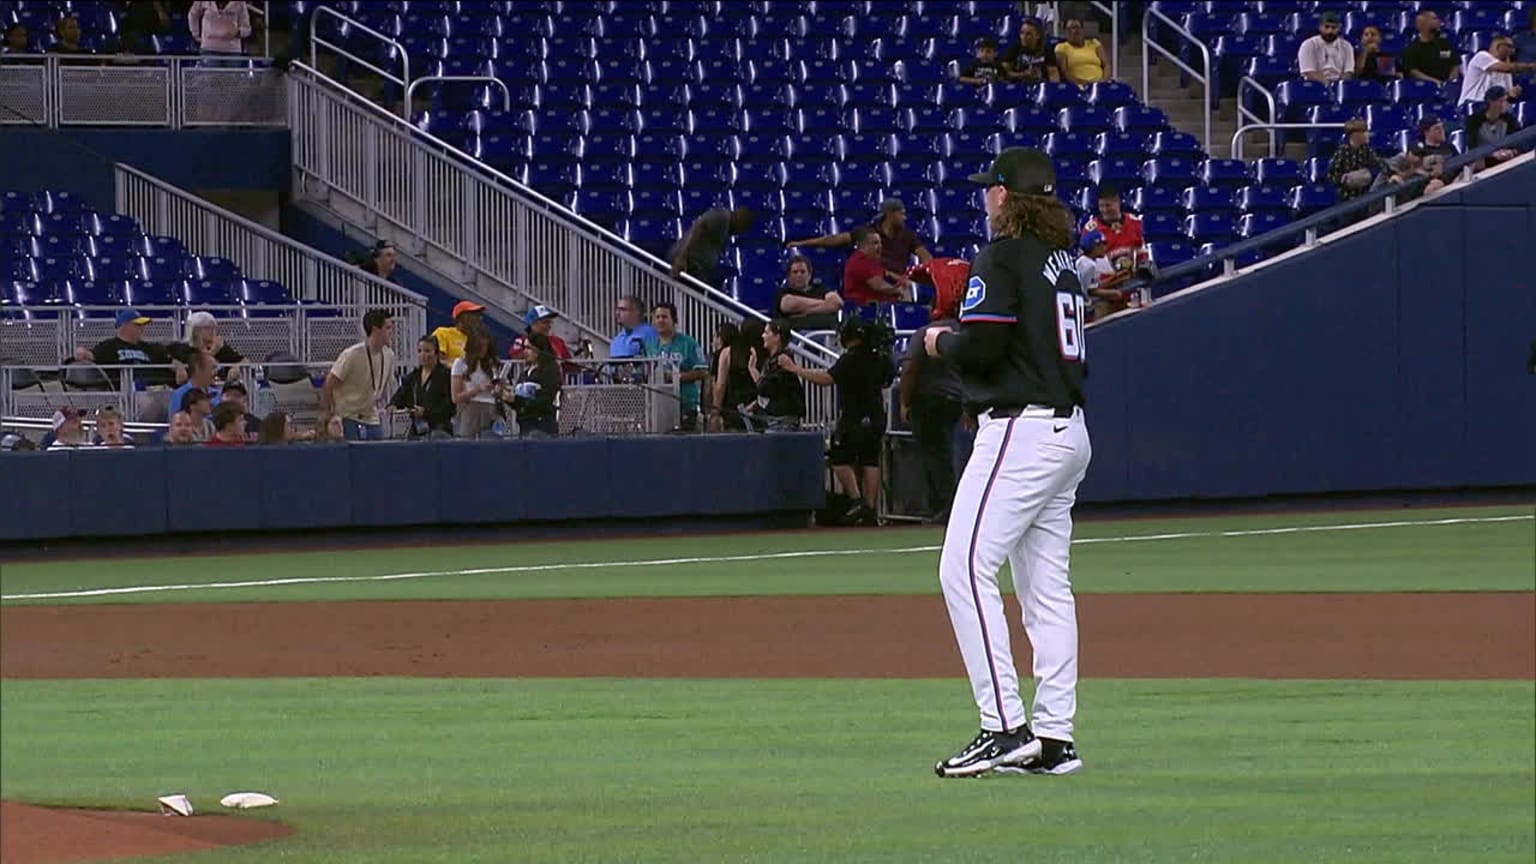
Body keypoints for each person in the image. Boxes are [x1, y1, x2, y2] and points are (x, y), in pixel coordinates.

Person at [922, 147, 1091, 778]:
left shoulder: (1001, 256)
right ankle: (1054, 738)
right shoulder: (1063, 262)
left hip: (1022, 430)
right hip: (1068, 430)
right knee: (1046, 592)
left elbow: (985, 346)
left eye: (989, 190)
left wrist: (940, 339)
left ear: (1003, 196)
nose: (985, 199)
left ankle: (1003, 728)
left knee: (963, 569)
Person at [777, 315, 892, 525]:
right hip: (876, 415)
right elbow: (887, 380)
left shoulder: (851, 359)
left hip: (854, 416)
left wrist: (796, 369)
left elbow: (827, 378)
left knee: (839, 458)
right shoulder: (879, 357)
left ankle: (858, 501)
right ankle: (870, 508)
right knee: (870, 459)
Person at [899, 258, 970, 522]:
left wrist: (904, 403)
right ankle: (951, 505)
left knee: (935, 455)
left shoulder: (927, 332)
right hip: (959, 402)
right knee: (951, 454)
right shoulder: (967, 332)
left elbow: (910, 370)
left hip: (930, 401)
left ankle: (944, 507)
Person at [786, 198, 932, 275]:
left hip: (899, 283)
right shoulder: (868, 232)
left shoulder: (908, 236)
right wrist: (804, 243)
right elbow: (835, 239)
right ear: (890, 214)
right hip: (875, 281)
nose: (904, 218)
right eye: (901, 214)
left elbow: (925, 256)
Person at [321, 309, 397, 441]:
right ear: (375, 329)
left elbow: (383, 386)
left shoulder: (389, 355)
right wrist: (329, 413)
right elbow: (329, 383)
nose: (392, 332)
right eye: (388, 328)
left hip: (372, 417)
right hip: (348, 416)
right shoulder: (352, 354)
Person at [75, 308, 183, 389]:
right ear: (124, 326)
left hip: (151, 390)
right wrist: (82, 352)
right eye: (138, 325)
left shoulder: (149, 348)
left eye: (143, 325)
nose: (142, 328)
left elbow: (169, 360)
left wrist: (179, 367)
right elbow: (90, 356)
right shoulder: (109, 346)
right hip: (123, 392)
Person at [643, 302, 710, 432]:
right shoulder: (649, 344)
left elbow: (703, 372)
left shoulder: (688, 343)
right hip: (657, 405)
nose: (660, 320)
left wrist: (676, 376)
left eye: (664, 317)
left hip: (684, 404)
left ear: (674, 320)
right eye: (657, 317)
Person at [743, 319, 806, 432]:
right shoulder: (771, 361)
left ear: (777, 337)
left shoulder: (783, 361)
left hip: (782, 422)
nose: (762, 336)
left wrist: (752, 369)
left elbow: (765, 388)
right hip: (775, 420)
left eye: (766, 332)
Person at [670, 206, 754, 288]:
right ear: (738, 217)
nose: (739, 232)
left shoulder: (726, 230)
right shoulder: (722, 217)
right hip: (684, 265)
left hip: (695, 270)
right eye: (743, 226)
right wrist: (682, 257)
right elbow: (699, 228)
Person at [390, 335, 455, 439]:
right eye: (420, 351)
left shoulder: (445, 375)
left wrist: (426, 412)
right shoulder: (413, 377)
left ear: (436, 353)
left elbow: (449, 406)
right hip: (417, 427)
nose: (423, 355)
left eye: (427, 351)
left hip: (439, 427)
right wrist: (393, 405)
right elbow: (401, 395)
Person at [711, 319, 765, 432]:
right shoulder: (766, 354)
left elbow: (720, 386)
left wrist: (715, 412)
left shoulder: (727, 352)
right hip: (759, 407)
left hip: (734, 407)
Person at [451, 325, 502, 438]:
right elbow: (456, 397)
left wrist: (498, 388)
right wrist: (477, 389)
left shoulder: (491, 363)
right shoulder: (460, 363)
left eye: (485, 346)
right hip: (471, 408)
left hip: (491, 408)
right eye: (480, 347)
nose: (483, 350)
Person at [1458, 35, 1533, 107]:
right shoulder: (1481, 56)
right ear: (1498, 46)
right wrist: (1531, 66)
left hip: (1491, 108)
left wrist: (1511, 94)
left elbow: (1503, 97)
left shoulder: (1506, 72)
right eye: (1509, 46)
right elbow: (1506, 68)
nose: (1513, 50)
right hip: (1470, 105)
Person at [772, 255, 842, 332]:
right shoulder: (783, 293)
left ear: (809, 275)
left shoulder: (821, 289)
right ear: (789, 276)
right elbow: (790, 305)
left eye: (803, 272)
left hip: (824, 333)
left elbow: (837, 303)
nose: (799, 275)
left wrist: (804, 311)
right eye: (795, 272)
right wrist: (825, 305)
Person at [842, 227, 908, 307]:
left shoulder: (871, 261)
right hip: (863, 309)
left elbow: (886, 273)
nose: (880, 246)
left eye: (880, 243)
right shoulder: (861, 261)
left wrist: (903, 280)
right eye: (875, 243)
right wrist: (899, 291)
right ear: (863, 245)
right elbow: (879, 286)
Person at [511, 332, 561, 438]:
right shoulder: (525, 373)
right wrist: (507, 398)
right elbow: (518, 403)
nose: (525, 352)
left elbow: (545, 401)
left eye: (528, 348)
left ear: (539, 350)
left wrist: (517, 400)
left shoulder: (549, 371)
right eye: (524, 348)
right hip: (524, 425)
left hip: (542, 426)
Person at [168, 310, 245, 374]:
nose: (213, 331)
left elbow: (245, 361)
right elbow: (197, 370)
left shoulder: (220, 347)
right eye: (209, 328)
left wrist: (237, 367)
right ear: (196, 331)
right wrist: (213, 351)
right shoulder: (181, 349)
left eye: (214, 328)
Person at [1466, 86, 1524, 168]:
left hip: (1506, 160)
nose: (1505, 104)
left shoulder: (1509, 119)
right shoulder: (1474, 121)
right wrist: (1491, 155)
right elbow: (1472, 148)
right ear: (1491, 102)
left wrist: (1511, 151)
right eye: (1501, 101)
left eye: (1506, 100)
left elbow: (1518, 141)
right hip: (1484, 161)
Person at [1326, 118, 1383, 201]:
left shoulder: (1367, 150)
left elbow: (1378, 163)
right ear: (1355, 135)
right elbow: (1331, 174)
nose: (1367, 134)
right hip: (1347, 198)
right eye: (1364, 132)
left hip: (1365, 196)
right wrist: (1342, 179)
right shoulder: (1342, 152)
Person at [1400, 11, 1460, 87]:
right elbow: (1413, 72)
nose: (1439, 22)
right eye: (1434, 19)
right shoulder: (1412, 49)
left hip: (1447, 86)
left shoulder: (1444, 44)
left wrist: (1451, 80)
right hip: (1424, 87)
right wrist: (1434, 82)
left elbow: (1454, 63)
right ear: (1423, 24)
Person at [1298, 11, 1355, 84]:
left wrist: (1338, 85)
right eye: (1326, 27)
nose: (1330, 31)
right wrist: (1328, 85)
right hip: (1315, 85)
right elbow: (1309, 72)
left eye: (1333, 28)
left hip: (1339, 84)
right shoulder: (1308, 45)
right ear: (1320, 27)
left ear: (1339, 28)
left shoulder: (1347, 46)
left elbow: (1348, 72)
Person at [1002, 17, 1059, 83]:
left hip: (1041, 85)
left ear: (1038, 35)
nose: (1023, 37)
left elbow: (1053, 75)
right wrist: (1023, 75)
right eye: (1022, 33)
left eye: (1028, 34)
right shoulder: (1014, 49)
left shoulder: (1047, 51)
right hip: (1019, 86)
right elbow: (1006, 73)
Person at [1055, 17, 1109, 86]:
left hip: (1100, 83)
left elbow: (1106, 64)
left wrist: (1104, 80)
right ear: (1066, 31)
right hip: (1078, 85)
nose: (1077, 30)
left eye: (1078, 27)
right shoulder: (1062, 47)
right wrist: (1081, 83)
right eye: (1073, 28)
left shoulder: (1094, 43)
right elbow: (1064, 71)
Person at [429, 299, 483, 364]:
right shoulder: (442, 333)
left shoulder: (477, 341)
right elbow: (435, 360)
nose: (479, 319)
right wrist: (458, 368)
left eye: (479, 315)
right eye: (475, 315)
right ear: (462, 318)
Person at [169, 350, 219, 414]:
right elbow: (175, 418)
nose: (216, 372)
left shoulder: (218, 394)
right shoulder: (179, 395)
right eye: (213, 368)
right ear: (198, 369)